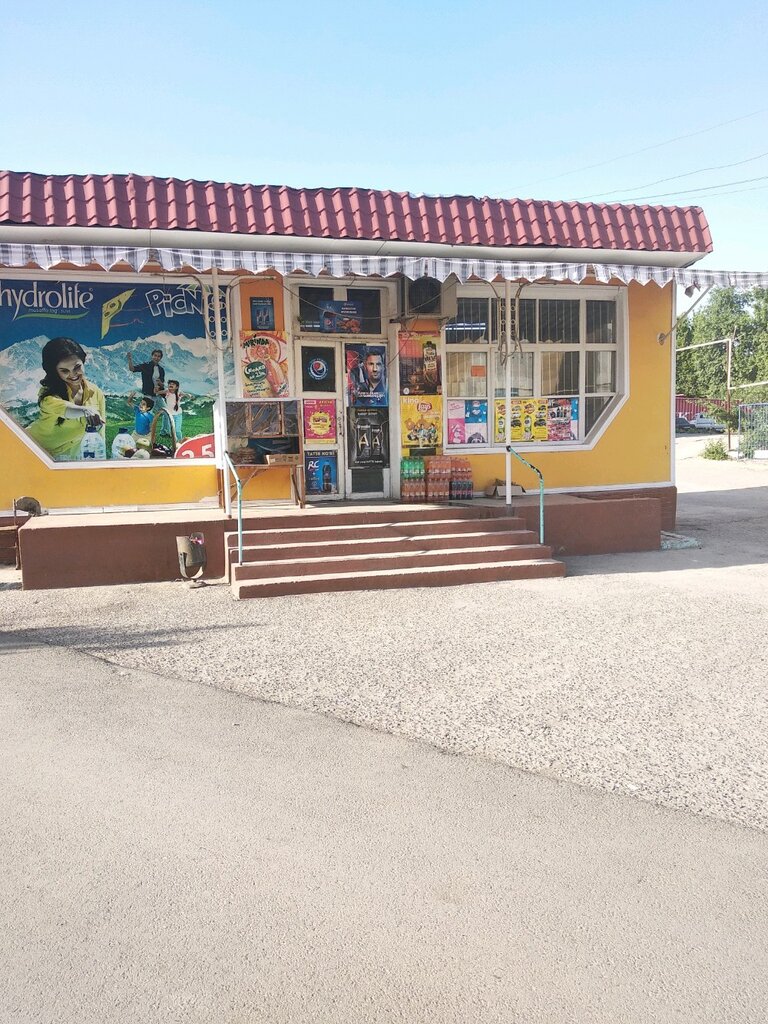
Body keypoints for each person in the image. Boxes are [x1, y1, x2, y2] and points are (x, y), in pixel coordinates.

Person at [26, 337, 106, 461]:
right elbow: (65, 409)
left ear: (83, 361)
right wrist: (86, 410)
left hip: (67, 459)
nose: (73, 374)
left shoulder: (96, 392)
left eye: (77, 367)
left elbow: (100, 435)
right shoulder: (48, 394)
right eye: (64, 371)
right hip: (33, 452)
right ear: (55, 371)